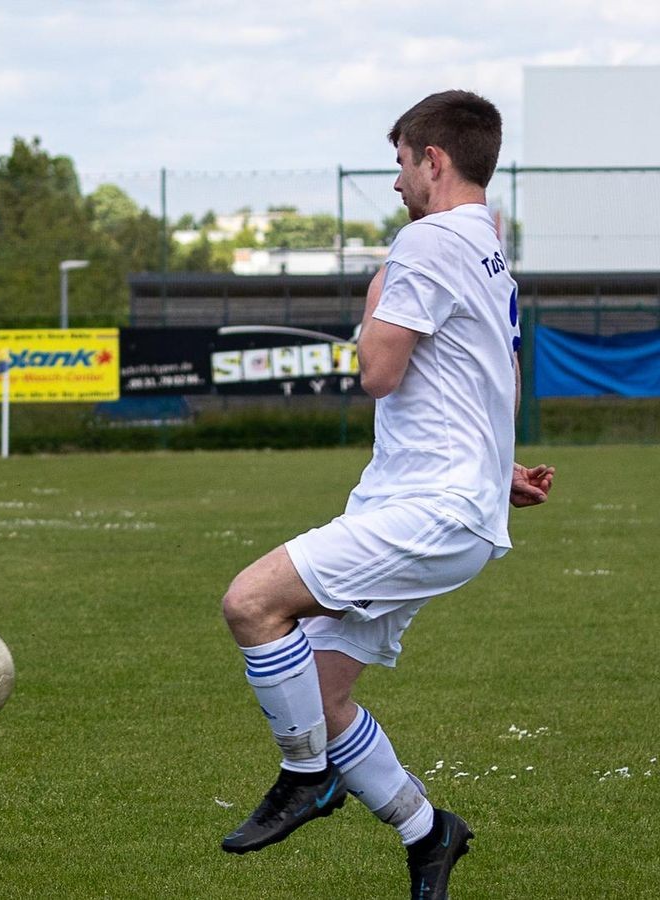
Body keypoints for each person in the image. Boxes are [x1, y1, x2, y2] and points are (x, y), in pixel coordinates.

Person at [216, 90, 555, 900]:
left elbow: (379, 373)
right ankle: (429, 832)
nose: (397, 182)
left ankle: (307, 778)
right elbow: (494, 369)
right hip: (434, 500)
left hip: (430, 509)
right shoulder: (485, 242)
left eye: (401, 163)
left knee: (250, 604)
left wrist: (376, 297)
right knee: (319, 692)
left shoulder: (426, 242)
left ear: (434, 159)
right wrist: (496, 466)